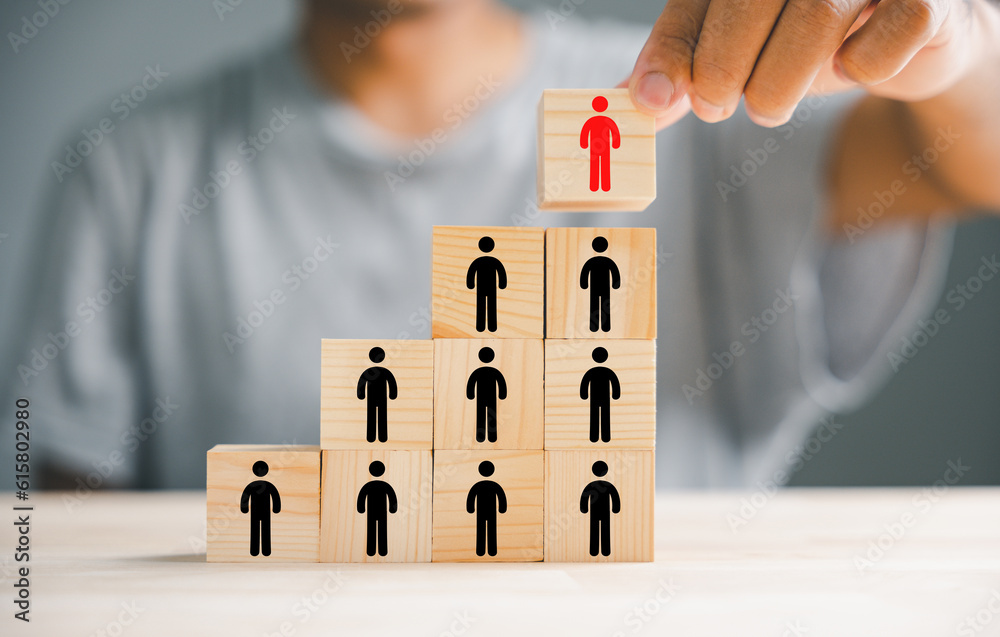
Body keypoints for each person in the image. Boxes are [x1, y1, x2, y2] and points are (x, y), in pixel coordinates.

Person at [10, 0, 1000, 489]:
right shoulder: (127, 169)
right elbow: (46, 546)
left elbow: (970, 156)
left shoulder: (706, 110)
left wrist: (963, 42)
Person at [466, 236, 507, 333]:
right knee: (487, 306)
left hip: (484, 287)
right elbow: (501, 272)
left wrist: (470, 284)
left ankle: (483, 327)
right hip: (488, 287)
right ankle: (488, 327)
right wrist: (502, 284)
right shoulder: (493, 261)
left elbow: (471, 272)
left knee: (485, 306)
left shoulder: (479, 261)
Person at [356, 346, 398, 443]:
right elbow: (392, 383)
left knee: (375, 416)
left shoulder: (370, 371)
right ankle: (379, 437)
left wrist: (361, 394)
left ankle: (374, 437)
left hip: (375, 397)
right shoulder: (384, 371)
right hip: (378, 397)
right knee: (378, 416)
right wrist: (393, 394)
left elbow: (361, 383)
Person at [466, 346, 507, 443]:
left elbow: (471, 383)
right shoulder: (493, 371)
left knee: (482, 416)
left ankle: (482, 437)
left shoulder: (479, 371)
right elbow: (501, 383)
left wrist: (470, 394)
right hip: (490, 397)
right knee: (490, 416)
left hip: (482, 398)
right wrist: (502, 394)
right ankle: (490, 437)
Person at [580, 347, 622, 443]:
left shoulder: (592, 371)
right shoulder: (606, 371)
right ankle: (604, 437)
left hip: (596, 397)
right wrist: (616, 394)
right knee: (603, 416)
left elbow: (585, 383)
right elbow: (615, 383)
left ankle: (595, 437)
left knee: (597, 416)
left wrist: (584, 394)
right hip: (602, 398)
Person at [240, 460, 281, 557]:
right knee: (260, 530)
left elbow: (275, 496)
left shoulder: (254, 485)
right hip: (260, 511)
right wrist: (276, 508)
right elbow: (275, 497)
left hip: (260, 511)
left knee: (261, 530)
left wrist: (244, 508)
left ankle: (258, 551)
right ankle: (261, 551)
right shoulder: (266, 485)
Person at [580, 96, 621, 192]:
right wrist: (616, 143)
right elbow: (585, 132)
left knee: (600, 165)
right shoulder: (601, 120)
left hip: (602, 146)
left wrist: (584, 143)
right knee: (600, 165)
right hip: (598, 146)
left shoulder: (597, 120)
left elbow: (614, 132)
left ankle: (600, 186)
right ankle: (600, 186)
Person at [357, 460, 397, 557]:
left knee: (373, 530)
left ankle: (372, 551)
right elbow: (392, 496)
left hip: (373, 512)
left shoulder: (369, 485)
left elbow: (362, 497)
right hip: (381, 511)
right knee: (380, 530)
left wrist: (361, 508)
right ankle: (381, 551)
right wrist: (393, 508)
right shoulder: (384, 485)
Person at [466, 460, 507, 557]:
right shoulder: (493, 485)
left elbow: (471, 497)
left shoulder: (479, 485)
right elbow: (501, 496)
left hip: (482, 511)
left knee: (483, 529)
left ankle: (482, 551)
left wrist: (470, 508)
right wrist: (502, 508)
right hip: (490, 511)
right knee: (489, 530)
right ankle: (490, 551)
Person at [580, 460, 621, 557]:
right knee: (604, 530)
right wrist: (615, 508)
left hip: (595, 512)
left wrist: (584, 508)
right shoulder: (608, 485)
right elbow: (615, 497)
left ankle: (594, 551)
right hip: (604, 512)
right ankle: (605, 551)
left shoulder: (591, 485)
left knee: (595, 530)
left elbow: (584, 497)